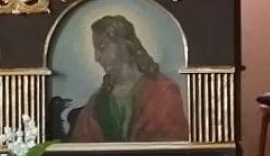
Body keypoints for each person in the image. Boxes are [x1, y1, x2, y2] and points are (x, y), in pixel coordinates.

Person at [69, 14, 191, 143]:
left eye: (102, 47)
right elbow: (81, 143)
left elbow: (174, 141)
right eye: (96, 49)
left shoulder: (162, 91)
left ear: (125, 45)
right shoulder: (97, 101)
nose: (97, 57)